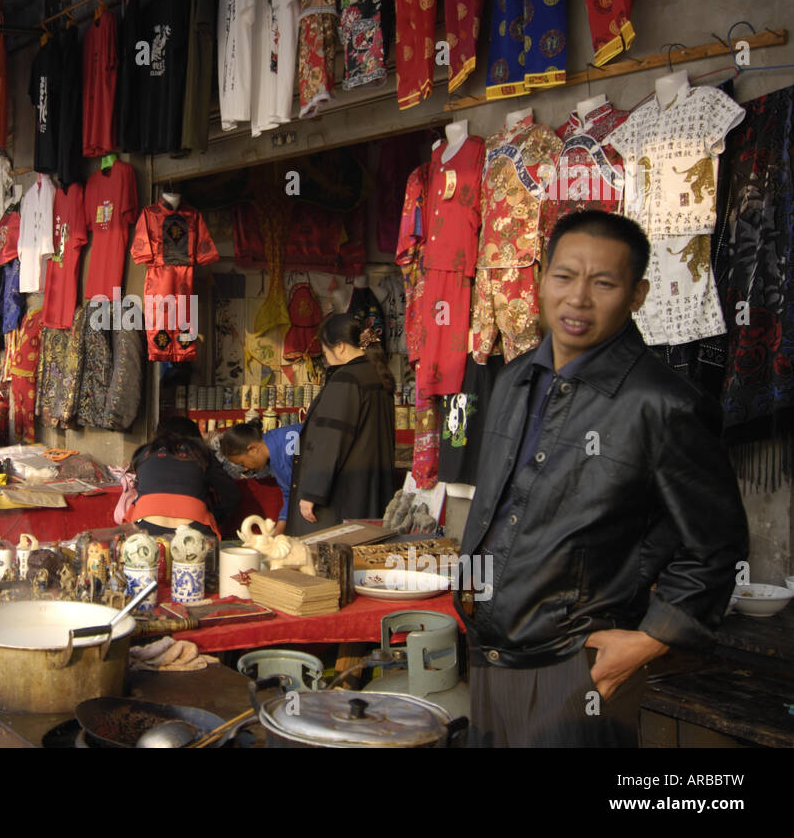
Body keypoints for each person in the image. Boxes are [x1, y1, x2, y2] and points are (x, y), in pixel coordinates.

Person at [456, 210, 749, 748]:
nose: (578, 298)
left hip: (577, 661)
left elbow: (716, 544)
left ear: (636, 295)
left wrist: (651, 637)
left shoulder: (663, 405)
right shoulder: (515, 378)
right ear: (542, 277)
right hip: (489, 648)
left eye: (604, 283)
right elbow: (495, 507)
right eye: (565, 276)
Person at [286, 313, 397, 535]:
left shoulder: (347, 379)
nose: (326, 358)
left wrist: (312, 493)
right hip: (369, 490)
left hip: (340, 497)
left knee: (326, 560)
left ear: (340, 347)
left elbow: (330, 439)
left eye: (326, 350)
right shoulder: (376, 375)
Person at [123, 416, 241, 538]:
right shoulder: (201, 452)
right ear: (195, 435)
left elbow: (140, 487)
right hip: (195, 527)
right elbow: (231, 493)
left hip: (144, 526)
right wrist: (215, 516)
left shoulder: (144, 452)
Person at [220, 419, 301, 533]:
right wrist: (278, 531)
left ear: (253, 449)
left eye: (242, 463)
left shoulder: (290, 442)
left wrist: (308, 498)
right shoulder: (273, 457)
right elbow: (290, 493)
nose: (245, 469)